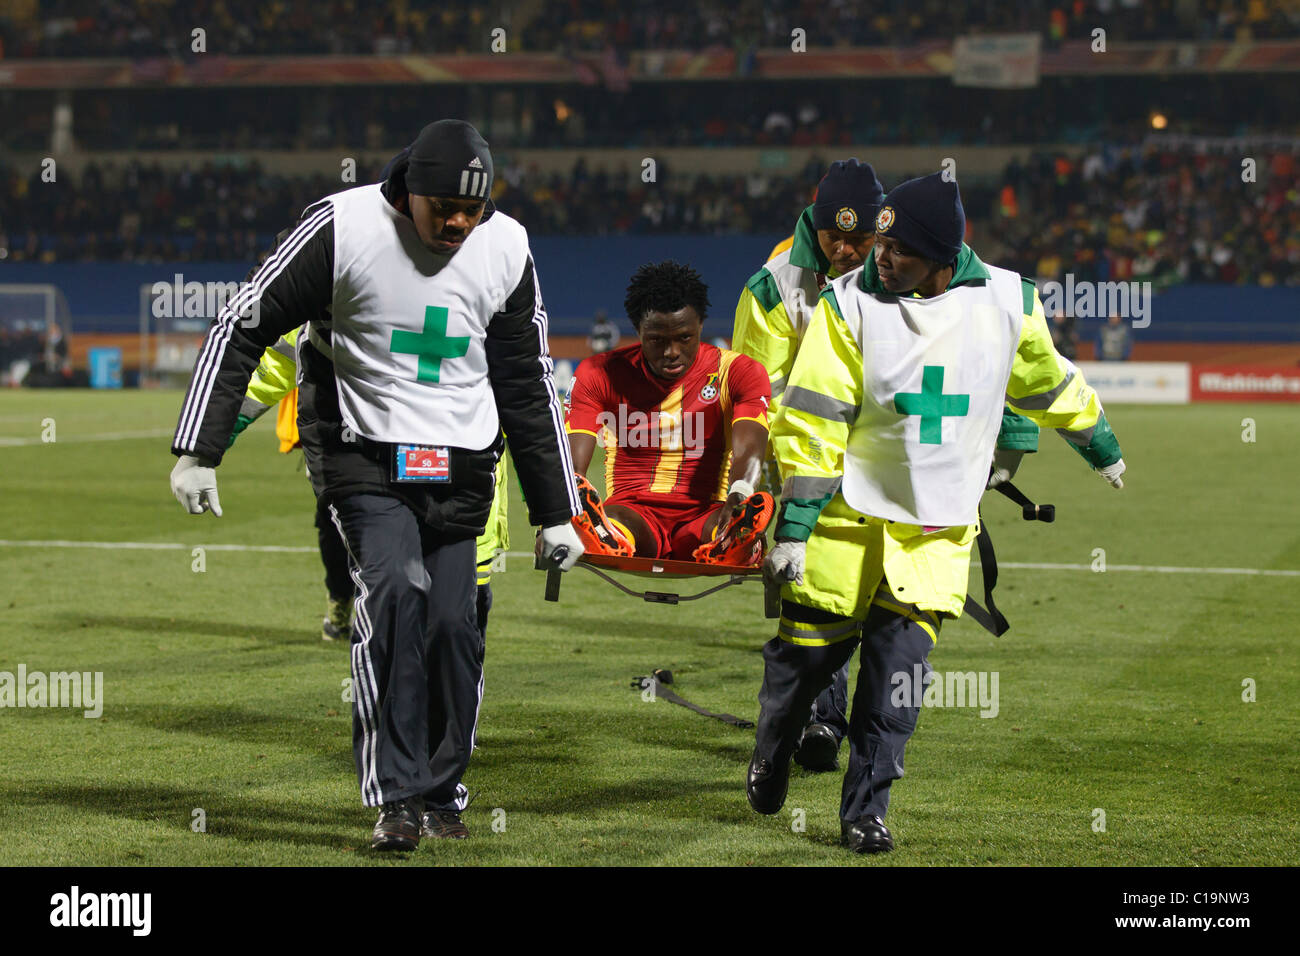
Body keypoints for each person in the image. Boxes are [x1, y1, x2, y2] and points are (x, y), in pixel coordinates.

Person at [168, 119, 584, 852]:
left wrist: (558, 512)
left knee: (456, 624)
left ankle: (442, 790)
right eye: (443, 209)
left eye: (473, 210)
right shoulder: (342, 227)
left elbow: (525, 381)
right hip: (362, 454)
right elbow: (244, 324)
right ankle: (395, 797)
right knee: (394, 593)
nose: (458, 223)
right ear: (409, 191)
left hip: (462, 461)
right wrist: (198, 450)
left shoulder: (507, 246)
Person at [751, 172, 1127, 854]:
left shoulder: (1010, 304)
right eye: (881, 243)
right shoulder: (847, 307)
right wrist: (796, 529)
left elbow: (1045, 379)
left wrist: (1097, 439)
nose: (880, 257)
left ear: (943, 258)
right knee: (801, 666)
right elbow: (813, 420)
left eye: (898, 250)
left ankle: (865, 812)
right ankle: (770, 751)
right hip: (844, 523)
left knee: (895, 689)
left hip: (934, 536)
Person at [733, 159, 1041, 774]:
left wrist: (1001, 444)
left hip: (894, 462)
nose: (847, 251)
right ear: (812, 227)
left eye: (862, 239)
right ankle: (819, 719)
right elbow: (753, 389)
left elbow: (979, 360)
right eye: (833, 239)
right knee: (817, 597)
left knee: (872, 600)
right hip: (808, 456)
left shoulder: (928, 273)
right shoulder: (773, 286)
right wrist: (762, 477)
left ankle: (836, 727)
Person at [226, 324, 510, 645]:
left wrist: (552, 502)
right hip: (381, 468)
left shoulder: (488, 294)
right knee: (389, 600)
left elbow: (526, 395)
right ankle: (344, 607)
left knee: (453, 627)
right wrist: (211, 433)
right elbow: (284, 356)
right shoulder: (356, 287)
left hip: (465, 486)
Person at [565, 260, 773, 566]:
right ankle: (602, 534)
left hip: (705, 511)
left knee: (726, 522)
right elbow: (572, 462)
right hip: (632, 511)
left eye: (684, 338)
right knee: (616, 520)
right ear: (638, 330)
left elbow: (749, 446)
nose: (671, 351)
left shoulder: (737, 372)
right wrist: (560, 511)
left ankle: (734, 538)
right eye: (657, 340)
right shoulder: (599, 373)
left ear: (701, 325)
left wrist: (740, 493)